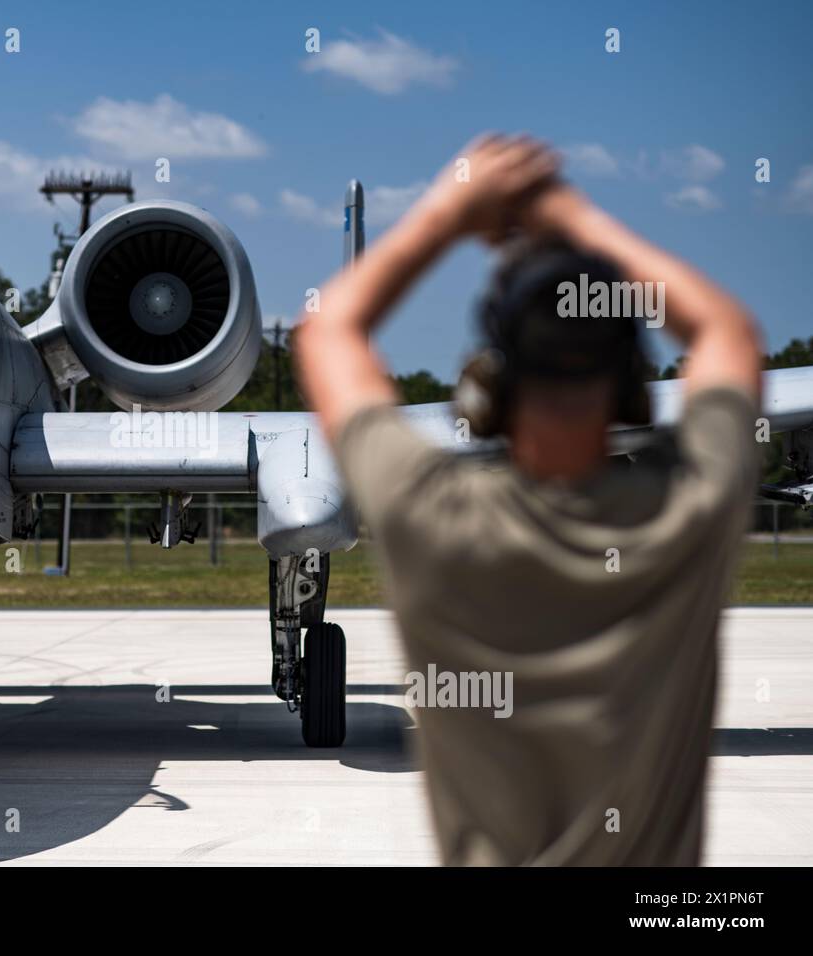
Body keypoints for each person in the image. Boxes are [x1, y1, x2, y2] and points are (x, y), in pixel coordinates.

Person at [294, 134, 764, 865]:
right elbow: (727, 332)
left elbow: (328, 331)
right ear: (637, 386)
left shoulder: (428, 516)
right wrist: (566, 211)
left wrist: (451, 209)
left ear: (486, 387)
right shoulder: (692, 510)